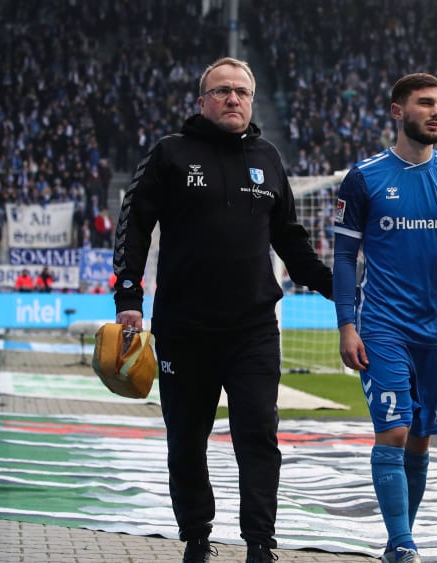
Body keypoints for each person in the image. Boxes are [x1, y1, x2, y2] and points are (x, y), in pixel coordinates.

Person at [112, 56, 333, 563]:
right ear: (201, 101)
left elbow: (292, 242)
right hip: (184, 329)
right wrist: (129, 300)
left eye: (242, 92)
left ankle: (260, 543)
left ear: (251, 101)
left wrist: (339, 289)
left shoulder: (269, 157)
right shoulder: (169, 154)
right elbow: (134, 227)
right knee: (187, 439)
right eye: (222, 91)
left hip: (253, 329)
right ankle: (196, 536)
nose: (233, 98)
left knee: (258, 433)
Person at [333, 73, 437, 563]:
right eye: (426, 103)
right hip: (381, 325)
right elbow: (343, 259)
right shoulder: (365, 177)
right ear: (399, 111)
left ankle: (398, 539)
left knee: (420, 440)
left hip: (433, 329)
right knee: (394, 431)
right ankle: (403, 545)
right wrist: (347, 324)